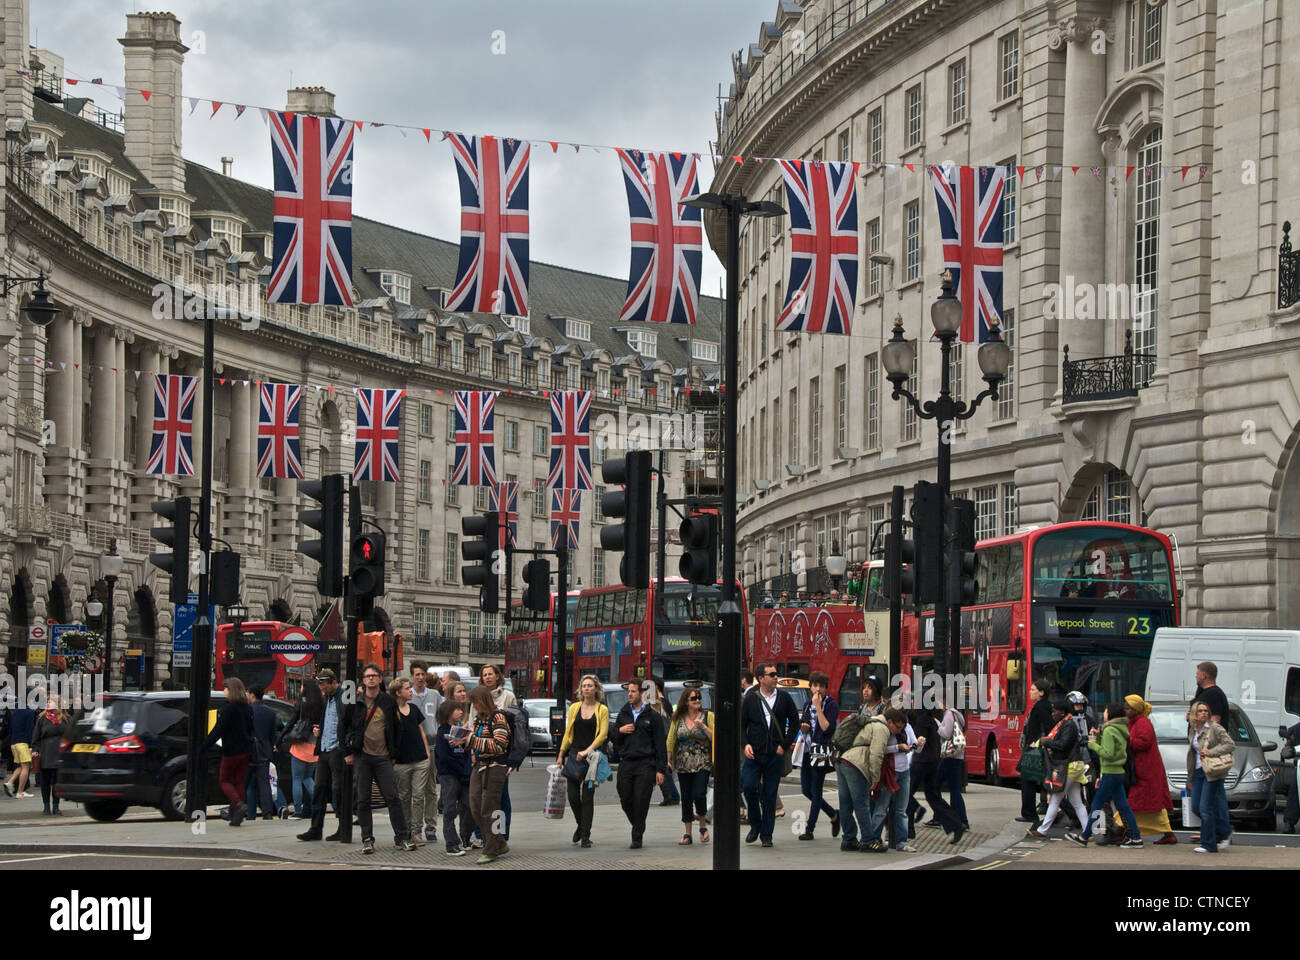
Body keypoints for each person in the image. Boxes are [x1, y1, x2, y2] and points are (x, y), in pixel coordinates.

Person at [341, 662, 415, 854]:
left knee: (392, 798)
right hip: (362, 757)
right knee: (363, 800)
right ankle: (367, 839)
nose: (371, 679)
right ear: (363, 680)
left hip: (383, 757)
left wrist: (394, 754)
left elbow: (398, 728)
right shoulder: (354, 702)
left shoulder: (388, 701)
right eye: (368, 676)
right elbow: (343, 727)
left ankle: (402, 837)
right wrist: (347, 753)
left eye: (374, 676)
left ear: (380, 679)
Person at [740, 663, 800, 848]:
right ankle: (755, 824)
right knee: (749, 787)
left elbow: (795, 723)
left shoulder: (784, 698)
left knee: (769, 794)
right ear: (761, 678)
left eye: (776, 674)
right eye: (772, 674)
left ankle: (767, 835)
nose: (776, 677)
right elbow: (741, 725)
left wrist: (784, 745)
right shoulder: (750, 699)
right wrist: (746, 744)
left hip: (775, 754)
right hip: (754, 753)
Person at [1068, 702, 1142, 848]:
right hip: (1118, 772)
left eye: (1106, 710)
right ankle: (1136, 838)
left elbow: (1107, 753)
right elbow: (1113, 749)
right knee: (1123, 806)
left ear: (1111, 713)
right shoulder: (1120, 728)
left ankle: (1084, 836)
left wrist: (1092, 744)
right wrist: (1099, 737)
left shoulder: (1110, 730)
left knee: (1096, 804)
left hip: (1110, 772)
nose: (1104, 713)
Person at [836, 706, 906, 852]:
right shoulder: (882, 728)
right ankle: (868, 841)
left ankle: (849, 839)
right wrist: (875, 778)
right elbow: (876, 754)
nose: (898, 731)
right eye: (898, 727)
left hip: (842, 760)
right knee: (862, 804)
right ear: (890, 722)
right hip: (856, 764)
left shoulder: (871, 722)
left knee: (845, 804)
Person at [612, 678, 668, 849]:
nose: (629, 694)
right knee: (625, 797)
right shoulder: (623, 713)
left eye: (633, 691)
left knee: (641, 799)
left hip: (646, 763)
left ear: (643, 693)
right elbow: (614, 738)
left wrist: (661, 770)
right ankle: (639, 825)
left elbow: (660, 744)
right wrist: (620, 731)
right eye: (628, 691)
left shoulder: (653, 716)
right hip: (627, 762)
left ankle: (637, 836)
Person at [555, 674, 609, 848]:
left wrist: (587, 751)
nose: (586, 688)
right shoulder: (574, 708)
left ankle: (585, 835)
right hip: (574, 755)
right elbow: (568, 733)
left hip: (592, 757)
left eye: (590, 686)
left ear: (596, 689)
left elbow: (603, 735)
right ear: (580, 689)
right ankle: (581, 825)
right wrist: (561, 754)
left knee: (587, 797)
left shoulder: (602, 710)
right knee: (572, 795)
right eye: (584, 686)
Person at [1028, 698, 1089, 840]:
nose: (1052, 714)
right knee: (1077, 803)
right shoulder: (1066, 723)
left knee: (1056, 798)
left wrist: (1046, 741)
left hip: (1069, 766)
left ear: (1062, 712)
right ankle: (1087, 831)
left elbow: (1063, 744)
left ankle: (1042, 831)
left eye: (1055, 711)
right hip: (1073, 765)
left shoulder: (1068, 725)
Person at [465, 684, 511, 864]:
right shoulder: (479, 719)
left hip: (495, 767)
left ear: (483, 700)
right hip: (479, 766)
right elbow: (476, 742)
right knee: (475, 806)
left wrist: (471, 741)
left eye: (476, 702)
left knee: (489, 809)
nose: (474, 706)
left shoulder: (498, 717)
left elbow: (499, 745)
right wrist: (464, 742)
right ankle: (499, 842)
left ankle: (491, 849)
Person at [298, 669, 346, 841]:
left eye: (324, 686)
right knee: (319, 790)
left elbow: (347, 721)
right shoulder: (327, 698)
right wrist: (320, 731)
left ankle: (343, 828)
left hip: (337, 749)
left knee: (338, 790)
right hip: (324, 748)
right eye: (320, 686)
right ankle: (316, 828)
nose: (322, 690)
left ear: (334, 682)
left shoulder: (344, 696)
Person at [1122, 694, 1176, 844]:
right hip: (1143, 768)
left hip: (1145, 769)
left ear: (1136, 710)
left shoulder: (1142, 723)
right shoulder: (1136, 722)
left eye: (1128, 708)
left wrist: (1126, 740)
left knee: (1135, 802)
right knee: (1148, 804)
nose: (1125, 710)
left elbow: (1143, 743)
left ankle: (1122, 830)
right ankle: (1166, 833)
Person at [201, 677, 254, 827]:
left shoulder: (228, 708)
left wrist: (204, 746)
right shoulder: (247, 708)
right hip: (246, 750)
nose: (224, 691)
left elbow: (218, 730)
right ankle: (237, 813)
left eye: (225, 688)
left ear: (231, 690)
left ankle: (238, 804)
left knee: (224, 780)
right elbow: (251, 729)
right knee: (239, 781)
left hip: (231, 750)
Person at [666, 683, 713, 844]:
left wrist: (704, 728)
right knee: (686, 798)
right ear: (686, 701)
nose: (697, 700)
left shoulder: (708, 716)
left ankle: (702, 826)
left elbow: (715, 738)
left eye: (699, 698)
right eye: (694, 698)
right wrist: (668, 760)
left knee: (699, 794)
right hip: (683, 763)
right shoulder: (678, 718)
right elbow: (671, 739)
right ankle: (688, 834)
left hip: (703, 761)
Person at [797, 670, 839, 841]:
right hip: (807, 749)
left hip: (821, 749)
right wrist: (803, 727)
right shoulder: (807, 704)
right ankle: (833, 814)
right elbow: (803, 724)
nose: (818, 689)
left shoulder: (831, 704)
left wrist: (819, 708)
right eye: (815, 685)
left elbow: (827, 728)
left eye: (821, 686)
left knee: (816, 790)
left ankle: (809, 828)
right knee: (806, 790)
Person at [1187, 700, 1234, 853]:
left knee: (1205, 807)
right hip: (1199, 772)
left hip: (1212, 771)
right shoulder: (1193, 729)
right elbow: (1192, 754)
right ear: (1194, 713)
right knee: (1195, 807)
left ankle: (1209, 844)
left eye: (1206, 711)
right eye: (1200, 711)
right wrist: (1190, 778)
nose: (1203, 713)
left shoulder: (1214, 728)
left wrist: (1211, 752)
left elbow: (1230, 744)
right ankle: (1224, 830)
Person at [390, 677, 432, 847]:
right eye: (407, 688)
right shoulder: (392, 711)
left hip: (420, 760)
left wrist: (427, 752)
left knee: (418, 796)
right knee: (404, 797)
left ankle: (416, 831)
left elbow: (421, 731)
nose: (410, 691)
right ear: (398, 693)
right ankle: (404, 830)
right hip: (401, 762)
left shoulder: (414, 709)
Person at [408, 661, 442, 844]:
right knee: (415, 791)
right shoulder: (408, 695)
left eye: (423, 674)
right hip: (413, 747)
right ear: (412, 676)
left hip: (432, 746)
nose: (420, 678)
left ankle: (431, 825)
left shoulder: (435, 695)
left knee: (430, 789)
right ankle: (414, 828)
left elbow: (441, 716)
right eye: (417, 674)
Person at [434, 699, 474, 856]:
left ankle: (465, 836)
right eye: (456, 710)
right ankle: (451, 844)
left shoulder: (461, 731)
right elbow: (443, 757)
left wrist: (466, 770)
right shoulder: (442, 731)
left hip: (464, 775)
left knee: (469, 806)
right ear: (448, 713)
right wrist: (458, 769)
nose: (460, 712)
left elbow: (466, 752)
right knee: (450, 809)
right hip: (449, 775)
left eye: (460, 709)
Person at [282, 680, 323, 821]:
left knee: (297, 779)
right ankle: (319, 803)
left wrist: (281, 738)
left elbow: (291, 721)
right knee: (308, 778)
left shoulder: (302, 703)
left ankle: (298, 810)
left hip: (300, 745)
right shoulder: (321, 703)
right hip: (314, 745)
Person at [879, 711, 918, 851]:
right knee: (882, 808)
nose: (900, 729)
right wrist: (897, 747)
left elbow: (915, 746)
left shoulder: (906, 727)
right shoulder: (884, 729)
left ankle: (901, 842)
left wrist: (918, 743)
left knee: (901, 810)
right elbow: (880, 749)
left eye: (902, 727)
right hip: (890, 771)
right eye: (898, 727)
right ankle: (872, 838)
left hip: (904, 771)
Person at [1018, 680, 1053, 825]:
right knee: (1031, 781)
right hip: (1033, 748)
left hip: (1035, 749)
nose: (1030, 692)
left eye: (1033, 690)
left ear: (1041, 692)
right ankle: (1028, 812)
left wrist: (1037, 742)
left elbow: (1047, 727)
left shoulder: (1042, 707)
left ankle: (1030, 813)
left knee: (1031, 781)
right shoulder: (1038, 706)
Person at [246, 685, 284, 820]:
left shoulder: (248, 710)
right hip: (265, 752)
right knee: (264, 783)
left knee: (249, 784)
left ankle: (250, 815)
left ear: (251, 695)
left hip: (250, 752)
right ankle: (267, 812)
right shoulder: (270, 712)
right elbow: (273, 734)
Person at [646, 676, 681, 807]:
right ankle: (670, 795)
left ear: (656, 687)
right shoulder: (663, 701)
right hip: (664, 736)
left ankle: (672, 795)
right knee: (662, 766)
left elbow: (663, 722)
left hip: (663, 737)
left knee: (663, 766)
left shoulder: (658, 702)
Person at [936, 698, 969, 830]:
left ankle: (946, 817)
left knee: (935, 785)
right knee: (954, 789)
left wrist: (938, 724)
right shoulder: (957, 713)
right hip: (957, 756)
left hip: (950, 756)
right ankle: (961, 819)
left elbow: (946, 733)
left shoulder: (949, 713)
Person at [32, 695, 68, 815]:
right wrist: (35, 749)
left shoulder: (65, 718)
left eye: (51, 701)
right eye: (47, 701)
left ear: (57, 704)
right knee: (45, 782)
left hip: (59, 753)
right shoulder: (42, 719)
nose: (48, 703)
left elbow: (69, 735)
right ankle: (46, 806)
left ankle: (56, 806)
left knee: (56, 782)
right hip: (46, 753)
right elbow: (36, 736)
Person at [2, 702, 35, 799]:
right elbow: (30, 730)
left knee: (21, 765)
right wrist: (30, 744)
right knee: (26, 767)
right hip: (23, 742)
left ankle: (10, 782)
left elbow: (10, 729)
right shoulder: (29, 712)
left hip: (14, 742)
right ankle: (20, 792)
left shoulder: (15, 712)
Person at [1282, 720, 1300, 834]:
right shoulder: (1296, 729)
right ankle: (1289, 822)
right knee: (1295, 790)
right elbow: (1287, 750)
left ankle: (1289, 821)